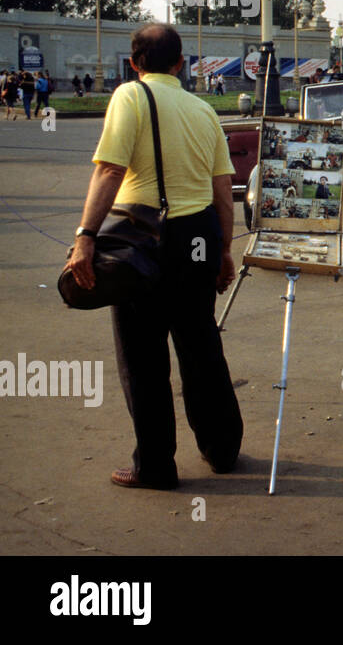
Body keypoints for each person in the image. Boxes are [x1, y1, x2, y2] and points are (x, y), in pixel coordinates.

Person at [63, 24, 243, 489]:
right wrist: (224, 249)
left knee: (143, 357)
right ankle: (222, 450)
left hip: (145, 238)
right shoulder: (204, 110)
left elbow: (109, 169)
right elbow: (223, 189)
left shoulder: (130, 96)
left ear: (134, 62)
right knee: (201, 344)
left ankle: (157, 467)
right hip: (199, 235)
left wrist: (85, 236)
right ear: (180, 64)